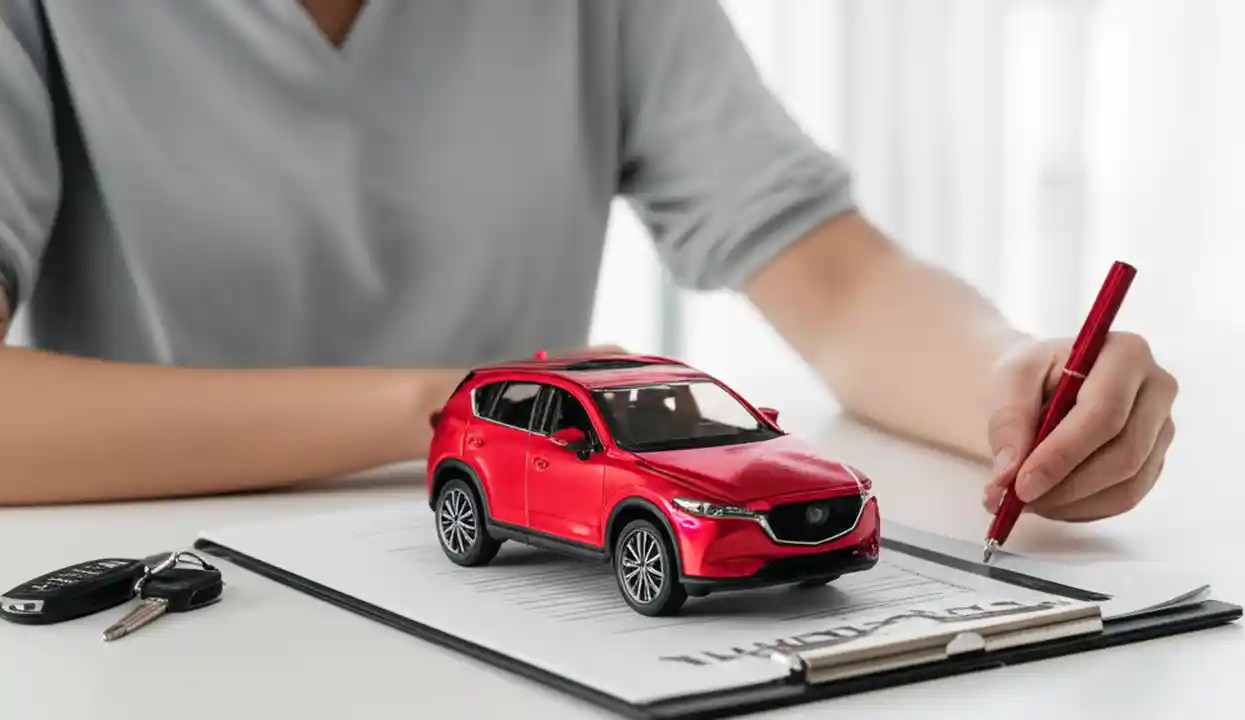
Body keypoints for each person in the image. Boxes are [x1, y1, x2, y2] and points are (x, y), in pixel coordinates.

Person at [0, 0, 1177, 515]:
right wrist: (453, 406)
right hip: (154, 605)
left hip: (519, 598)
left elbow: (837, 277)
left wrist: (1012, 379)